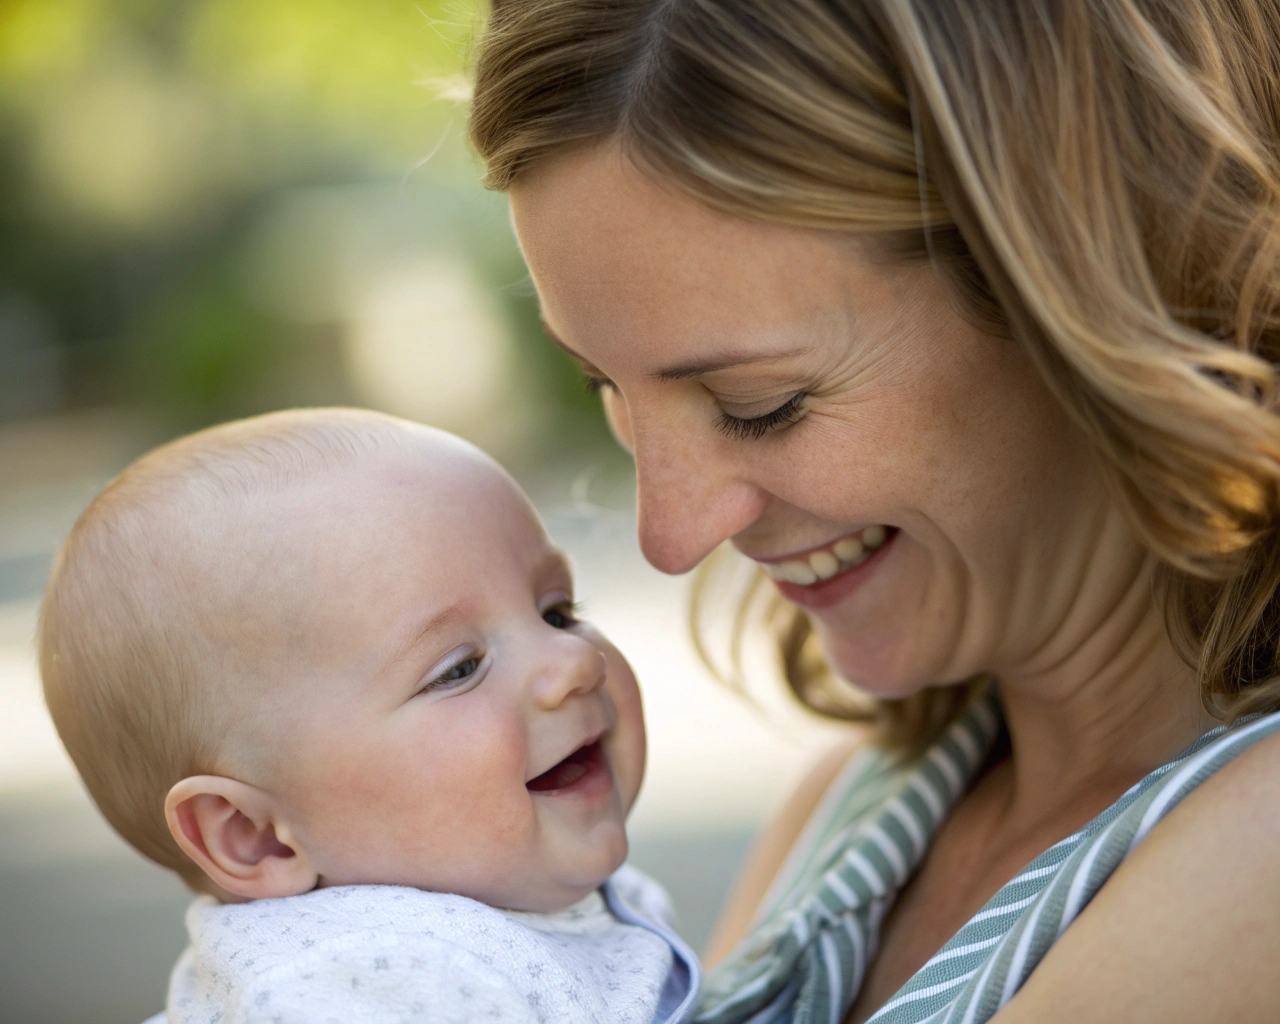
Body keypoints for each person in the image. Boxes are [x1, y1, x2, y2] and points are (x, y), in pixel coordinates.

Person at [468, 1, 1280, 1021]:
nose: (670, 535)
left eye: (761, 405)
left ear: (1087, 288)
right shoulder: (856, 813)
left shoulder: (1256, 852)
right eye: (603, 387)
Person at [38, 408, 700, 1024]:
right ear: (255, 835)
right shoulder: (368, 989)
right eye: (459, 669)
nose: (572, 663)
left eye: (557, 612)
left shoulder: (506, 905)